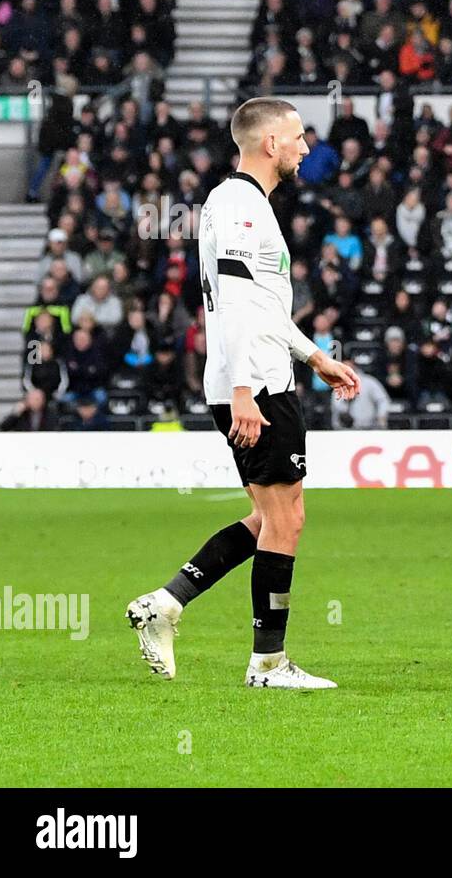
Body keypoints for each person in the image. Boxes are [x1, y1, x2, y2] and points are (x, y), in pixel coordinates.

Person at [125, 97, 361, 690]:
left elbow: (260, 306)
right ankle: (268, 665)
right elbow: (230, 304)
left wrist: (314, 357)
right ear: (270, 144)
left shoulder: (248, 204)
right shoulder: (238, 205)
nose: (306, 148)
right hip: (253, 384)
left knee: (274, 517)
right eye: (299, 137)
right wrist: (244, 392)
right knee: (286, 521)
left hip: (266, 377)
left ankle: (166, 603)